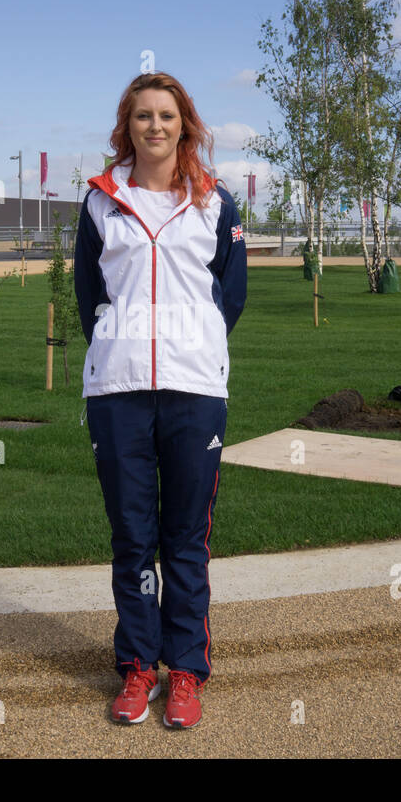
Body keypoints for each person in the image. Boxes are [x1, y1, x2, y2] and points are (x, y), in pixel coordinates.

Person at [74, 72, 247, 728]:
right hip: (117, 392)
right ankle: (138, 666)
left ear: (185, 124)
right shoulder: (100, 202)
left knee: (185, 539)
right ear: (128, 125)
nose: (155, 126)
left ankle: (185, 672)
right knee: (132, 536)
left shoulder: (214, 202)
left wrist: (194, 343)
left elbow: (229, 295)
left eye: (166, 116)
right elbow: (90, 296)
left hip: (194, 391)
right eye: (143, 115)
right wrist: (121, 346)